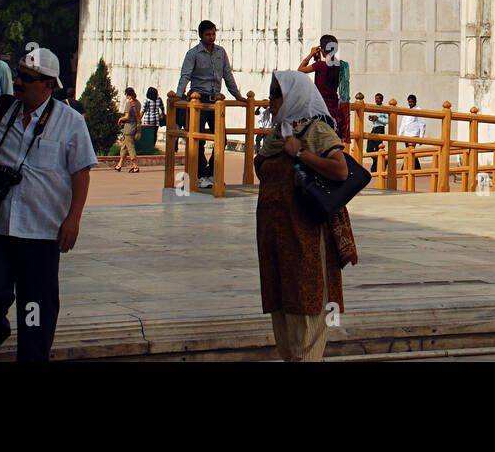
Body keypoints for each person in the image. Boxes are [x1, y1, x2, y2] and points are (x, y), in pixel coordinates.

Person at [0, 46, 95, 362]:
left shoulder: (70, 123)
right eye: (18, 76)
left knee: (36, 305)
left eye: (27, 78)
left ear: (48, 85)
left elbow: (81, 173)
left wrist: (73, 219)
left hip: (41, 233)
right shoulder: (3, 112)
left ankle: (32, 356)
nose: (18, 83)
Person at [253, 70, 357, 362]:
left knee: (305, 304)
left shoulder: (316, 131)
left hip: (305, 236)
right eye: (271, 93)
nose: (271, 100)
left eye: (277, 94)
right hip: (275, 237)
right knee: (281, 307)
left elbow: (341, 170)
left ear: (294, 96)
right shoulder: (277, 133)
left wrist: (300, 155)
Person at [177, 20, 241, 189]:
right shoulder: (193, 54)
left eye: (213, 34)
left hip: (216, 101)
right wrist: (178, 96)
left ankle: (212, 173)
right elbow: (185, 76)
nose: (211, 37)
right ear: (201, 35)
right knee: (197, 139)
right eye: (208, 34)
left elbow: (227, 76)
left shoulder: (220, 52)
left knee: (221, 138)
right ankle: (199, 175)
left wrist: (238, 96)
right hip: (198, 100)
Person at [298, 34, 350, 142]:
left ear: (322, 49)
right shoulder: (339, 66)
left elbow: (300, 69)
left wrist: (310, 54)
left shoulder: (320, 66)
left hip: (318, 107)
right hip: (333, 107)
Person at [115, 88, 141, 173]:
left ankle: (135, 166)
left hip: (129, 127)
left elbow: (126, 117)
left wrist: (120, 119)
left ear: (127, 94)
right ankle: (119, 165)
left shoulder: (129, 104)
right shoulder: (138, 103)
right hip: (135, 126)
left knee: (130, 147)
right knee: (124, 147)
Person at [398, 94, 426, 172]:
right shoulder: (406, 109)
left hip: (414, 134)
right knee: (409, 151)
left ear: (415, 102)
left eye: (412, 102)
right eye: (409, 102)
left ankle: (404, 167)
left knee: (410, 151)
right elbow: (403, 123)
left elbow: (422, 124)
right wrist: (400, 134)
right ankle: (417, 167)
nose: (410, 103)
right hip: (406, 134)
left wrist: (421, 137)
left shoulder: (418, 110)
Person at [365, 92, 387, 171]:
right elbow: (374, 119)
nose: (377, 100)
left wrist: (378, 119)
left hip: (380, 129)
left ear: (382, 100)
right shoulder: (374, 107)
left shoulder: (384, 109)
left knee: (378, 149)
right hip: (374, 128)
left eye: (378, 99)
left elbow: (386, 121)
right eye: (376, 99)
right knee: (369, 149)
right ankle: (382, 161)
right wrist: (371, 118)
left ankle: (375, 167)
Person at [140, 87, 164, 154]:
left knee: (147, 135)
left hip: (148, 120)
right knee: (154, 134)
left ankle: (147, 147)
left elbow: (143, 111)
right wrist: (162, 115)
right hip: (156, 120)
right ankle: (152, 146)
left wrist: (138, 119)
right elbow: (162, 108)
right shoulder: (158, 99)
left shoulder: (147, 100)